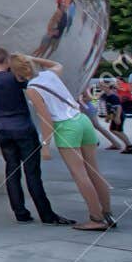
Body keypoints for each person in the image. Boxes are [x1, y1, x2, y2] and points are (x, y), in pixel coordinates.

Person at [0, 48, 71, 225]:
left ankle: (20, 212)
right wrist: (26, 60)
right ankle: (46, 214)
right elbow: (43, 73)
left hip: (2, 127)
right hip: (23, 127)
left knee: (11, 170)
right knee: (32, 172)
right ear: (7, 61)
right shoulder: (14, 78)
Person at [18, 54, 114, 232]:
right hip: (82, 120)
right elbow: (56, 63)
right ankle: (107, 213)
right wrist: (32, 57)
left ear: (18, 74)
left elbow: (46, 118)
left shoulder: (32, 89)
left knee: (80, 175)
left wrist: (45, 145)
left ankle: (96, 218)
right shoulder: (49, 75)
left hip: (66, 126)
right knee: (94, 171)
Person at [97, 83, 132, 153]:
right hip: (115, 115)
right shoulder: (107, 95)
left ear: (108, 87)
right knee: (118, 130)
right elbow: (110, 107)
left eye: (102, 87)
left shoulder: (113, 96)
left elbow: (118, 107)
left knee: (115, 130)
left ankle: (129, 145)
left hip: (118, 115)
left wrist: (117, 117)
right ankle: (128, 145)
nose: (101, 88)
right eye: (100, 87)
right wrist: (108, 117)